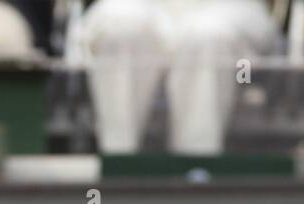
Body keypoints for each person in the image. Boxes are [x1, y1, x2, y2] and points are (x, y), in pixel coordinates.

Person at [81, 0, 279, 155]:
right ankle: (117, 165)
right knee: (120, 24)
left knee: (208, 35)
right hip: (142, 5)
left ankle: (196, 169)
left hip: (229, 6)